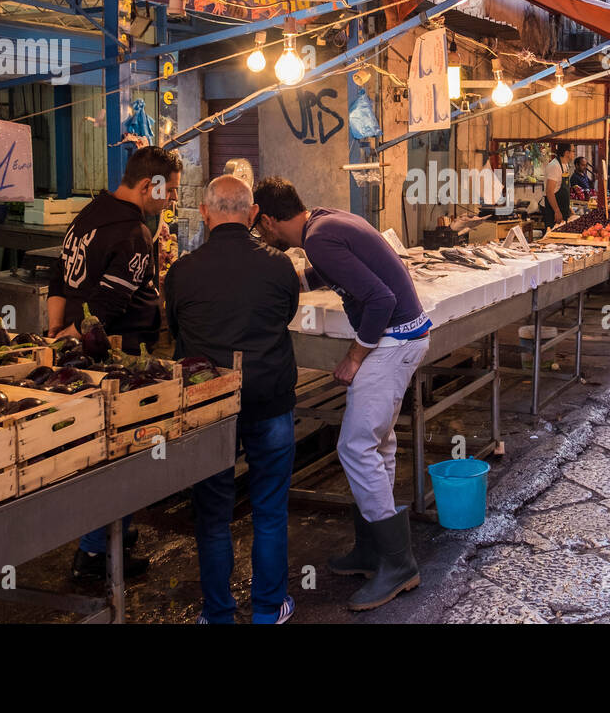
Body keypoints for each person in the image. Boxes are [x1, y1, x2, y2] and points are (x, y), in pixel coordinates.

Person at [252, 178, 431, 611]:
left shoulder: (318, 237)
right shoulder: (325, 222)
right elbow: (334, 272)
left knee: (354, 444)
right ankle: (372, 548)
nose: (259, 233)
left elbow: (379, 298)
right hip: (406, 336)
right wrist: (288, 281)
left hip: (394, 341)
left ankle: (398, 563)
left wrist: (354, 357)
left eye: (258, 225)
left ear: (271, 220)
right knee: (378, 443)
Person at [164, 176, 299, 624]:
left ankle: (218, 614)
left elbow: (178, 332)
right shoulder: (280, 266)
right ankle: (267, 609)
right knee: (270, 509)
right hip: (270, 400)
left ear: (204, 213)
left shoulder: (181, 272)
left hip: (208, 405)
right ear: (253, 214)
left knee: (212, 514)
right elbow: (285, 316)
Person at [48, 144, 181, 582]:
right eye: (171, 191)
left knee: (107, 451)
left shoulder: (89, 214)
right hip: (117, 360)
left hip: (81, 354)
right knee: (119, 454)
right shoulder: (133, 234)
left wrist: (56, 333)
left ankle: (116, 545)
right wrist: (76, 335)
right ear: (148, 186)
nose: (174, 200)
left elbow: (60, 275)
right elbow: (104, 307)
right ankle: (92, 556)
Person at [542, 143, 572, 228]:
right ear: (567, 153)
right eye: (573, 151)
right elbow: (549, 191)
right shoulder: (554, 166)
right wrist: (557, 211)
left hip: (562, 207)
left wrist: (568, 207)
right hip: (553, 210)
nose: (575, 153)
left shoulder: (566, 165)